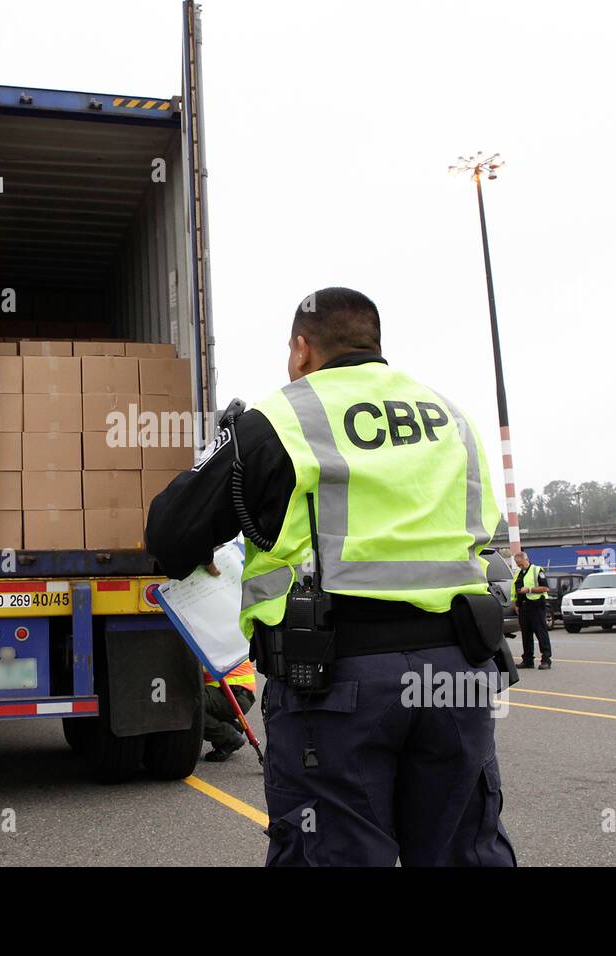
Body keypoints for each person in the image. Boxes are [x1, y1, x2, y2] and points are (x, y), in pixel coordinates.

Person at [146, 287, 516, 867]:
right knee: (463, 852)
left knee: (333, 853)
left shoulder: (282, 417)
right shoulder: (453, 417)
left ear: (301, 348)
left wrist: (225, 452)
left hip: (335, 682)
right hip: (458, 673)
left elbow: (168, 539)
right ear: (374, 342)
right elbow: (486, 539)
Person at [201, 660, 257, 762]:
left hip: (231, 695)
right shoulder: (230, 644)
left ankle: (228, 737)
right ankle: (231, 726)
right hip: (242, 695)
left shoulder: (206, 646)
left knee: (189, 703)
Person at [511, 551, 551, 669]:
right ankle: (528, 660)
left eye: (521, 564)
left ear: (526, 559)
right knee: (526, 635)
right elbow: (515, 590)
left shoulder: (537, 570)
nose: (520, 566)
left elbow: (545, 588)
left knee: (541, 633)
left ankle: (546, 660)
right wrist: (516, 604)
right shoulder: (518, 573)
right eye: (518, 564)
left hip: (536, 606)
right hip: (523, 607)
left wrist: (529, 590)